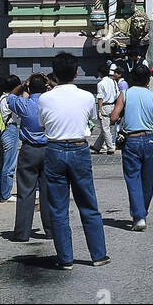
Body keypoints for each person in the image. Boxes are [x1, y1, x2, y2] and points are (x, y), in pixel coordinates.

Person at [38, 51, 110, 270]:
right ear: (76, 73)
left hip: (55, 149)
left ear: (54, 75)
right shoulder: (87, 97)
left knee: (58, 208)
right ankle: (98, 255)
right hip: (79, 149)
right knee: (88, 203)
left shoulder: (44, 98)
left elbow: (43, 126)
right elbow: (91, 120)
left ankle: (65, 258)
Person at [110, 62, 153, 230]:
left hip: (131, 140)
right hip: (148, 139)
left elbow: (113, 117)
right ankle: (143, 212)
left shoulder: (125, 94)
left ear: (132, 78)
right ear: (148, 80)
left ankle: (138, 216)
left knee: (133, 179)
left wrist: (122, 115)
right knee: (147, 181)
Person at [3, 73, 52, 242]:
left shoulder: (24, 103)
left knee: (25, 191)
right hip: (49, 149)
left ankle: (22, 232)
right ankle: (51, 230)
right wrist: (48, 83)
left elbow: (9, 97)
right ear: (46, 88)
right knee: (48, 192)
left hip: (29, 149)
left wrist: (23, 85)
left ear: (29, 88)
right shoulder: (52, 103)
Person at [0, 75, 21, 201]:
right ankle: (6, 194)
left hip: (4, 130)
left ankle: (0, 192)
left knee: (3, 163)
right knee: (10, 164)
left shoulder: (2, 98)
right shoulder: (9, 99)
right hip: (10, 130)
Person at [91, 65, 120, 155]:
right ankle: (97, 146)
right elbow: (117, 94)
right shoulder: (113, 81)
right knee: (106, 127)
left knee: (105, 128)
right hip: (112, 105)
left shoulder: (101, 84)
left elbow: (100, 98)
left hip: (105, 106)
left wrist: (99, 110)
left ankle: (110, 147)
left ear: (100, 73)